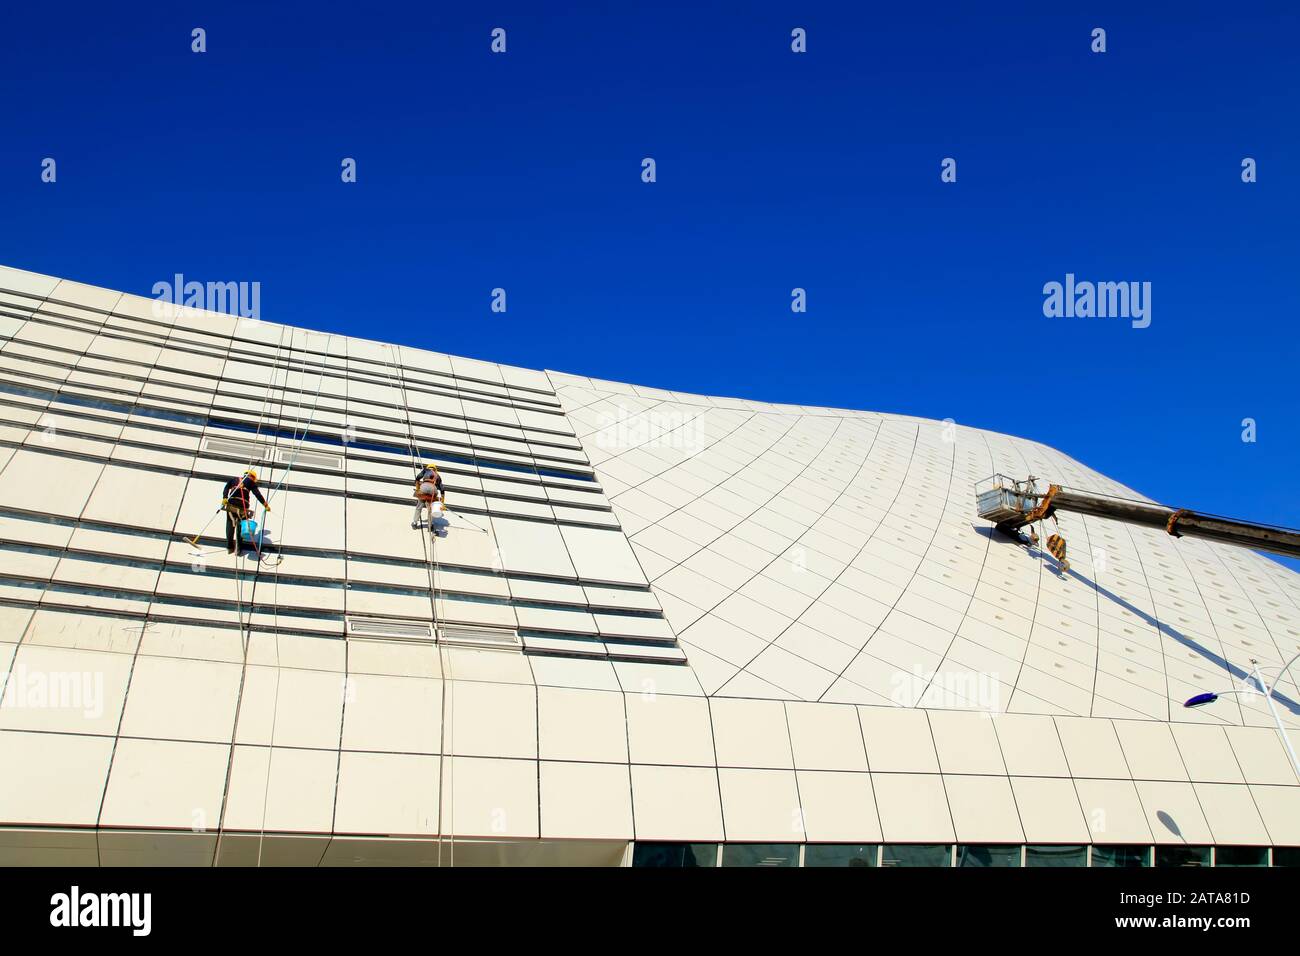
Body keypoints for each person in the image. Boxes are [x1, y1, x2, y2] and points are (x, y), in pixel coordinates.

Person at [223, 469, 269, 554]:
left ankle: (230, 547)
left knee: (230, 523)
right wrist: (265, 504)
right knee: (242, 526)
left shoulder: (234, 479)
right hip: (243, 506)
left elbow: (226, 488)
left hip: (231, 504)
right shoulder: (250, 482)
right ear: (252, 477)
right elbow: (257, 494)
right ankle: (239, 549)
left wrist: (225, 498)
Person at [411, 462, 445, 529]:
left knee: (419, 506)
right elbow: (442, 489)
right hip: (434, 490)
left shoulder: (426, 470)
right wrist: (442, 502)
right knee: (430, 509)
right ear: (435, 469)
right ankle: (430, 526)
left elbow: (418, 478)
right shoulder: (438, 476)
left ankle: (415, 523)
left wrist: (418, 488)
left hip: (424, 487)